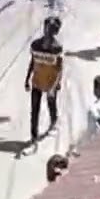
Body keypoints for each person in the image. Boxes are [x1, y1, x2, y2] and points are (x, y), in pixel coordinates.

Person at [25, 16, 64, 148]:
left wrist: (55, 86)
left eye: (51, 31)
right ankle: (33, 136)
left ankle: (53, 122)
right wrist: (27, 79)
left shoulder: (57, 48)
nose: (48, 33)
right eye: (47, 29)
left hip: (50, 82)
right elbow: (33, 61)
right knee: (34, 109)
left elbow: (59, 68)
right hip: (36, 81)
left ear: (56, 32)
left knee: (51, 104)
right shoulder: (35, 45)